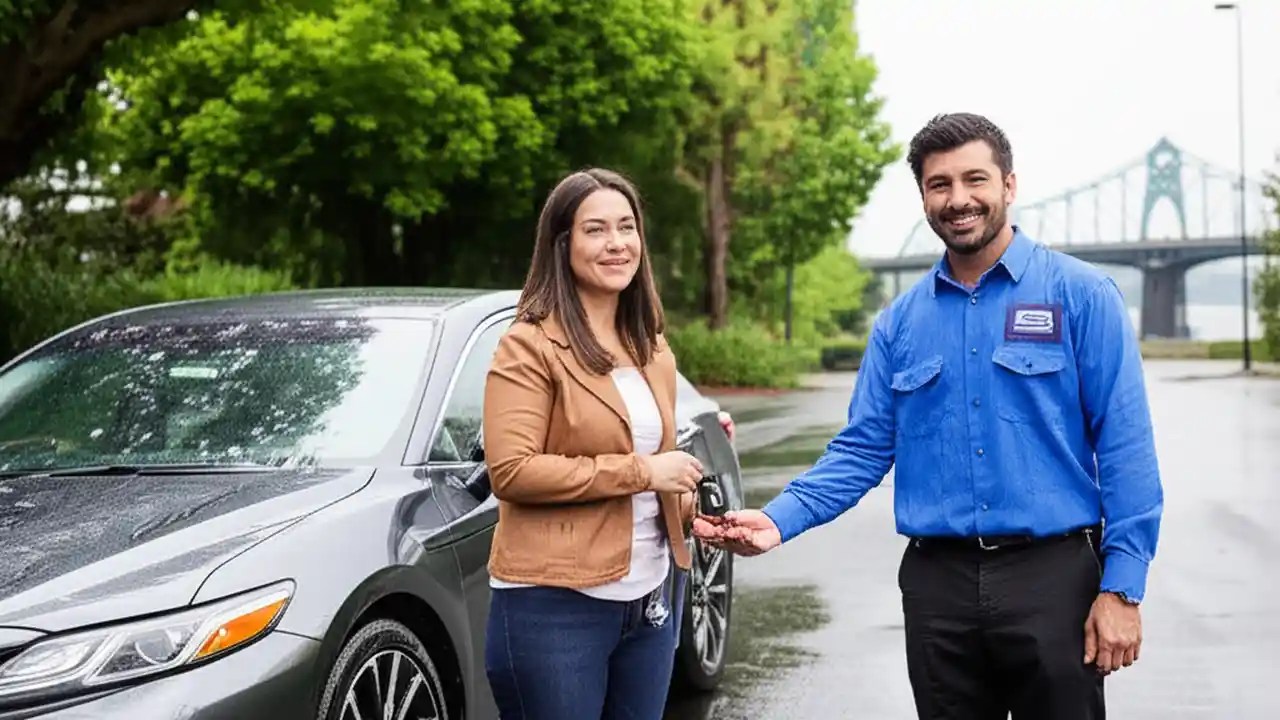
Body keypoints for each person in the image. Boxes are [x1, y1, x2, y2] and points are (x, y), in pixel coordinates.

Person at [694, 112, 1164, 719]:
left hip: (1053, 578)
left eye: (976, 179)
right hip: (937, 588)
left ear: (1009, 186)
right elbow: (862, 448)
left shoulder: (1081, 296)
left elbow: (1126, 448)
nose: (959, 199)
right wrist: (778, 520)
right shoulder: (899, 323)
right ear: (923, 197)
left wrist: (1122, 587)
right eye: (940, 184)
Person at [481, 168, 715, 720]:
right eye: (596, 230)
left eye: (627, 227)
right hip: (555, 607)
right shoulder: (528, 346)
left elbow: (657, 468)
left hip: (652, 597)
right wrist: (643, 472)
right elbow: (512, 472)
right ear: (562, 245)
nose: (616, 244)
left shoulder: (651, 346)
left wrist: (685, 507)